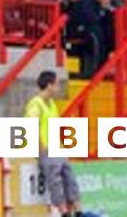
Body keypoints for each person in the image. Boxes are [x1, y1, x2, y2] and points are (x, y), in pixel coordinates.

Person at [26, 71, 82, 217]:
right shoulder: (35, 103)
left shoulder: (51, 104)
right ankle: (64, 212)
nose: (58, 88)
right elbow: (32, 124)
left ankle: (78, 211)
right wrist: (40, 146)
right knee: (55, 180)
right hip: (47, 149)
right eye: (56, 84)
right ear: (49, 85)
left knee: (70, 179)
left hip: (58, 148)